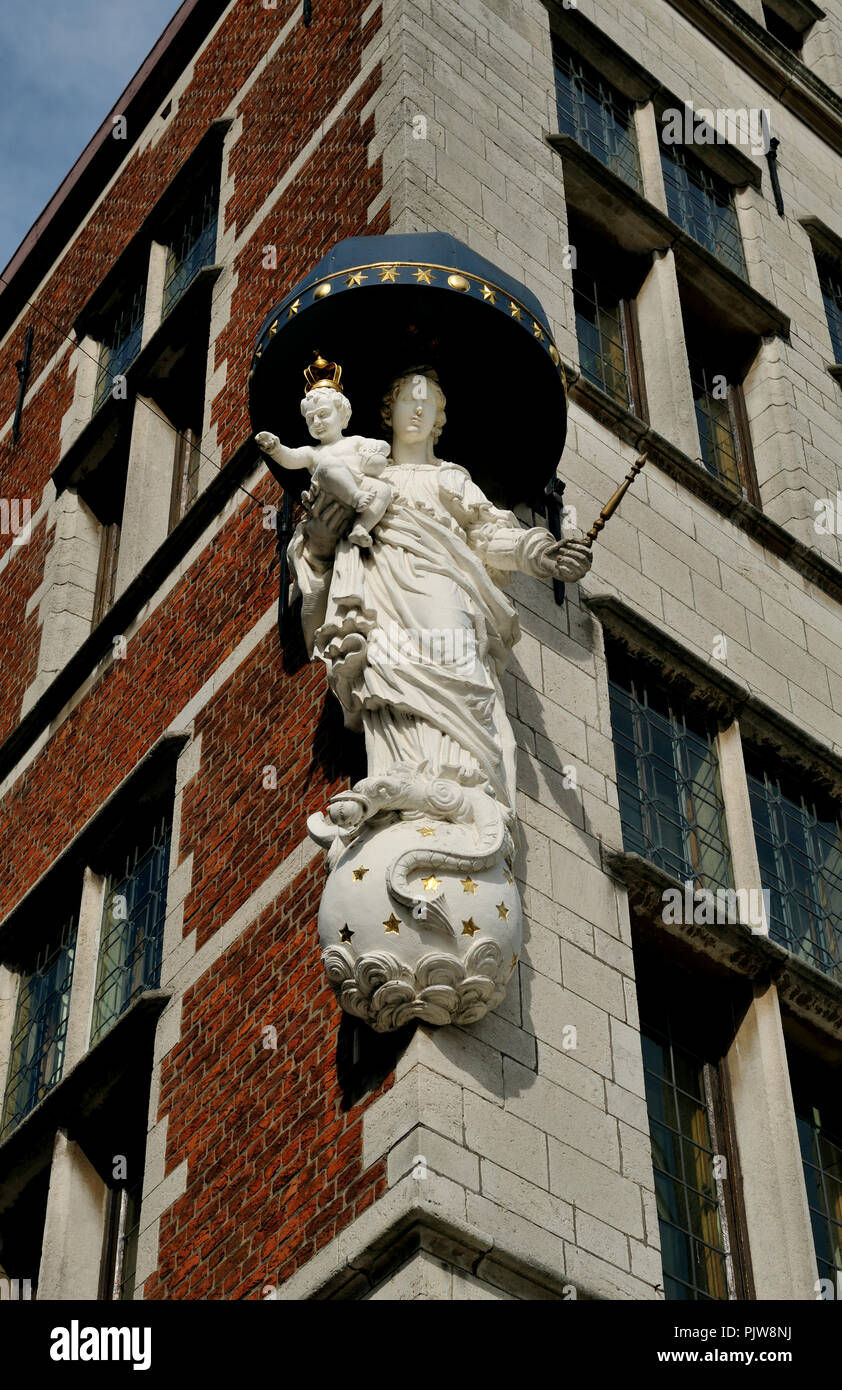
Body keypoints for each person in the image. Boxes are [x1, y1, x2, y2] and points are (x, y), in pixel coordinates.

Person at [288, 367, 592, 821]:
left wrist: (545, 556)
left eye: (426, 403)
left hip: (441, 584)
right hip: (379, 591)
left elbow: (489, 535)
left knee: (461, 673)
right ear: (388, 414)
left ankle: (465, 780)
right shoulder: (364, 475)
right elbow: (316, 556)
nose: (416, 410)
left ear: (438, 419)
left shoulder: (451, 478)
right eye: (407, 402)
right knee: (388, 676)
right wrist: (320, 537)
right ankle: (403, 777)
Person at [255, 356, 392, 548]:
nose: (317, 422)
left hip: (360, 483)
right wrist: (275, 449)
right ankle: (354, 496)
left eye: (323, 415)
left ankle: (361, 527)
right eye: (310, 419)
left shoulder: (355, 441)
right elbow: (291, 458)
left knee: (384, 490)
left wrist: (376, 449)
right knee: (328, 464)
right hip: (334, 492)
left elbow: (384, 446)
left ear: (343, 415)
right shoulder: (313, 452)